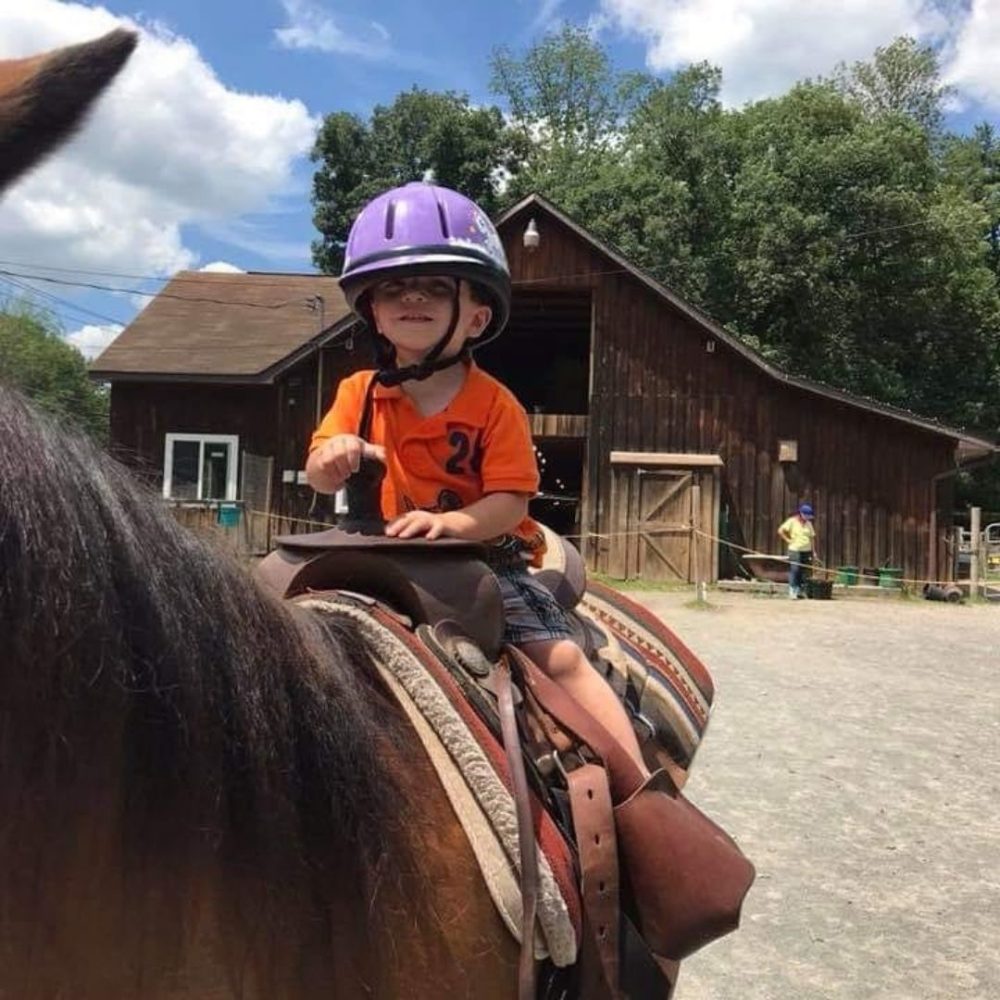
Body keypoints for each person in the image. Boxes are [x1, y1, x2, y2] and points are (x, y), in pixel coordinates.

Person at [306, 181, 648, 774]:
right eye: (392, 286)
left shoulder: (495, 404)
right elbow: (317, 475)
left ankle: (640, 789)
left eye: (437, 286)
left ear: (478, 316)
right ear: (373, 313)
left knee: (561, 658)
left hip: (486, 558)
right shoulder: (356, 394)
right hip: (382, 554)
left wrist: (451, 523)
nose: (412, 294)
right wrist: (332, 455)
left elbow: (511, 500)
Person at [778, 502, 816, 599]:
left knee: (804, 571)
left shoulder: (809, 524)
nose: (808, 518)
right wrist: (788, 540)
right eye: (807, 515)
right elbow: (780, 531)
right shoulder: (792, 521)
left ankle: (800, 590)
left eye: (809, 516)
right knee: (795, 569)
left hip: (806, 550)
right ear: (801, 514)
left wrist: (813, 551)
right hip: (795, 550)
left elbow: (812, 537)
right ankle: (792, 590)